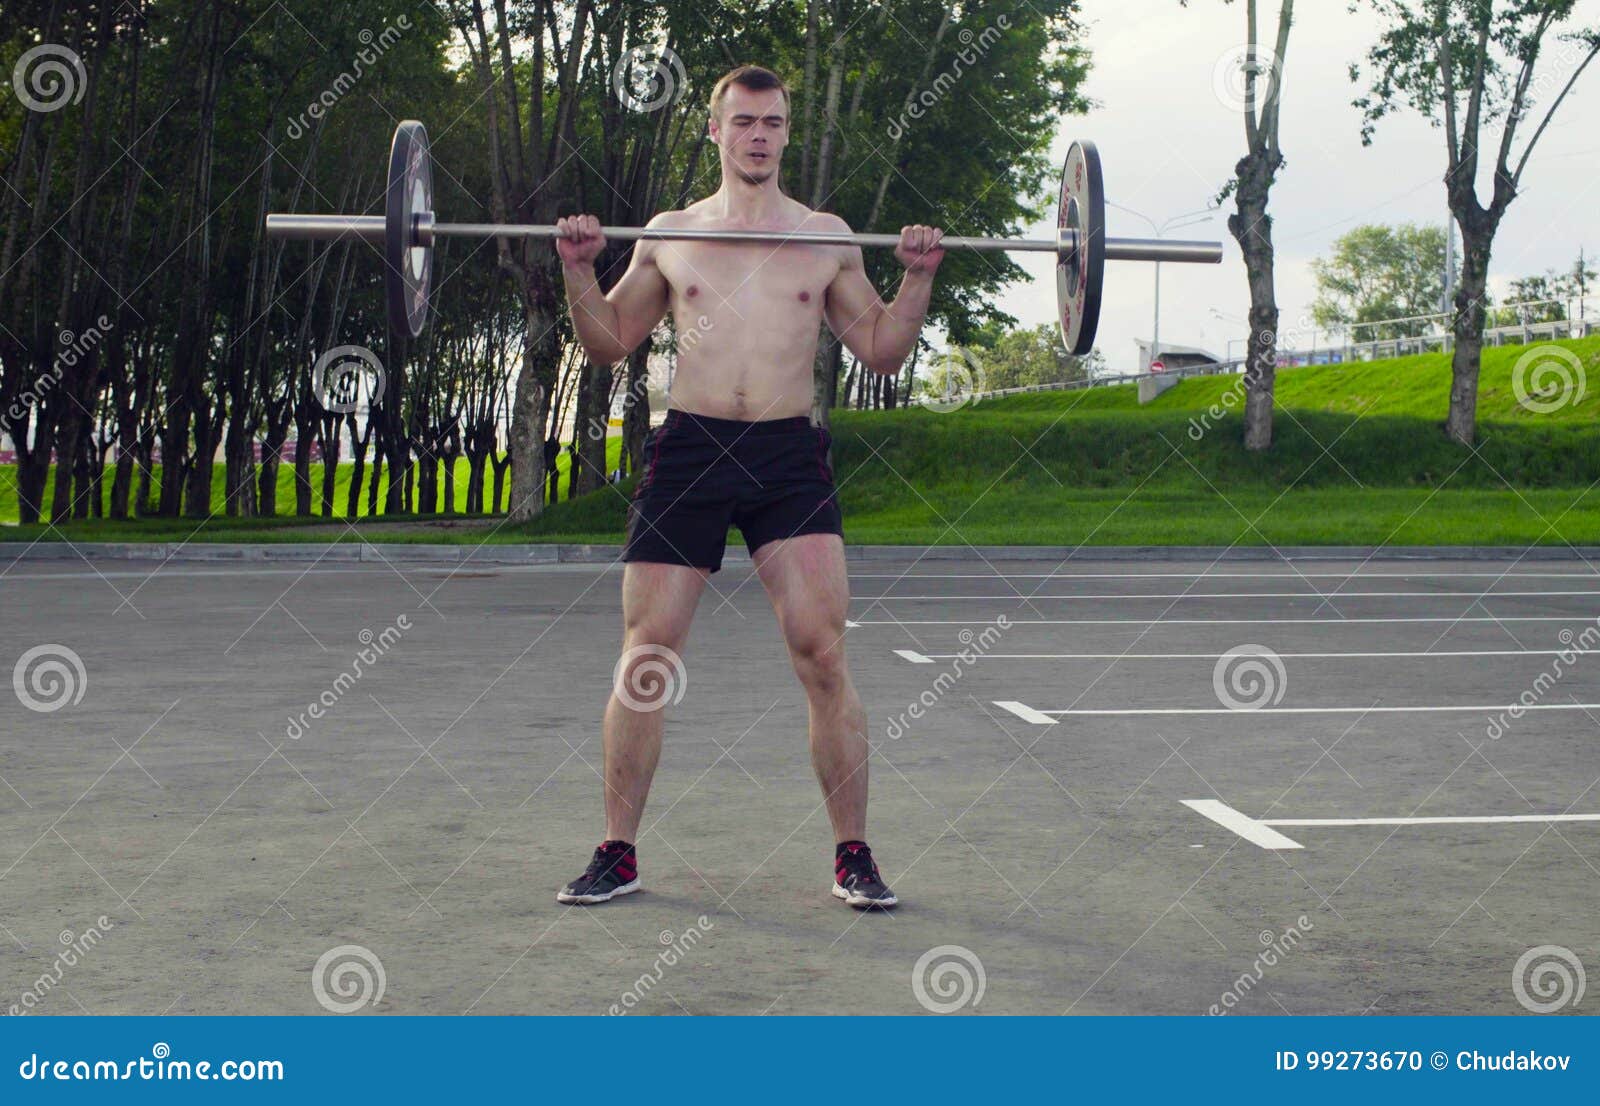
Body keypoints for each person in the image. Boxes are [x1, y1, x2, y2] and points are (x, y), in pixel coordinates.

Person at [553, 64, 943, 910]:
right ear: (715, 131)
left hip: (784, 457)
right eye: (743, 122)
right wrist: (580, 272)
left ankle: (854, 857)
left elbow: (879, 348)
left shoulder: (825, 236)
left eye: (772, 122)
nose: (759, 135)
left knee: (822, 653)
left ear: (787, 133)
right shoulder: (671, 231)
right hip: (691, 448)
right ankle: (616, 853)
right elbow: (610, 341)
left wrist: (915, 278)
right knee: (646, 657)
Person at [544, 436, 561, 503]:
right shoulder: (550, 447)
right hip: (549, 463)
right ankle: (553, 501)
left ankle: (553, 501)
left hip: (550, 463)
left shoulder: (553, 447)